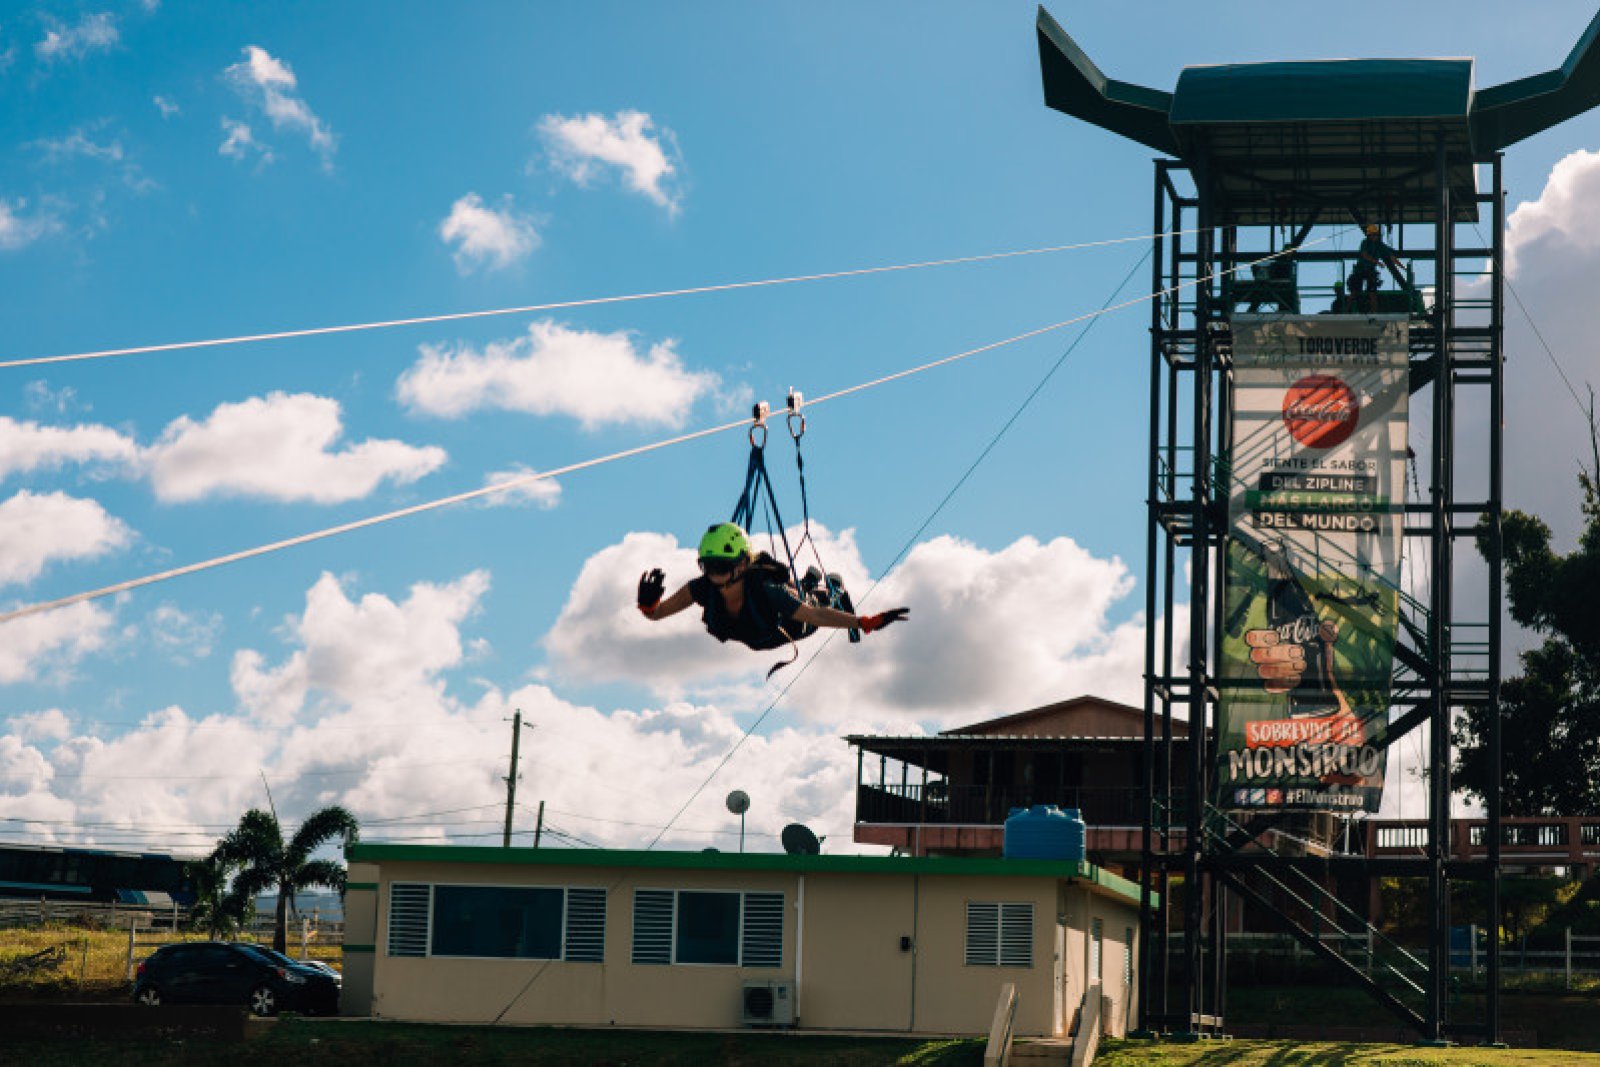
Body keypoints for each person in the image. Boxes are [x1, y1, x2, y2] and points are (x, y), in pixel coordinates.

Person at [637, 523, 908, 661]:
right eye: (707, 567)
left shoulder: (767, 591)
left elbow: (816, 617)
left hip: (793, 626)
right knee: (799, 593)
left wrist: (863, 622)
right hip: (758, 636)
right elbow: (657, 615)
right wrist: (649, 606)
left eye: (721, 566)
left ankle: (828, 587)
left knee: (811, 599)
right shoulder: (701, 588)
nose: (714, 575)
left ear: (743, 563)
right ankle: (808, 581)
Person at [1347, 224, 1407, 311]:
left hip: (1370, 270)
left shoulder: (1380, 245)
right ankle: (1347, 310)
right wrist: (1377, 262)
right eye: (1373, 235)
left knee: (1372, 293)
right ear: (1369, 235)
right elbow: (1364, 255)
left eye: (1376, 235)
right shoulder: (1365, 242)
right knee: (1354, 292)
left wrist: (1404, 268)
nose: (1375, 236)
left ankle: (1374, 312)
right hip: (1360, 270)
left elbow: (1392, 258)